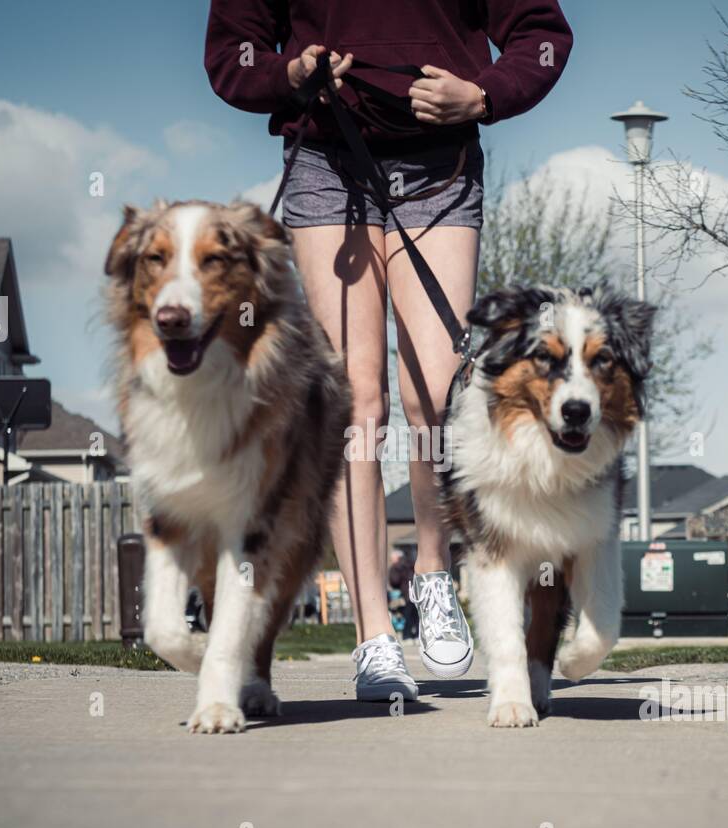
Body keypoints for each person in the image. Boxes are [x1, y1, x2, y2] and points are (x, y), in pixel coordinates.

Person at [205, 1, 572, 701]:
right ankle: (374, 637)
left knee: (437, 392)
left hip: (441, 164)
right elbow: (232, 50)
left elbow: (541, 34)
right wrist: (290, 72)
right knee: (358, 404)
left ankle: (434, 572)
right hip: (326, 156)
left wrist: (486, 94)